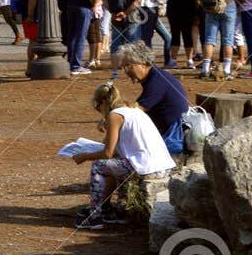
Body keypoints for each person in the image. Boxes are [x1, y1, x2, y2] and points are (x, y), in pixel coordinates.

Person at [72, 78, 175, 230]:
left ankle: (94, 217)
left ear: (102, 103)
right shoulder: (132, 110)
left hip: (146, 166)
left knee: (99, 166)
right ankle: (110, 210)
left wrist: (85, 155)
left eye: (97, 106)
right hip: (163, 164)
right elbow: (117, 150)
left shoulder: (115, 115)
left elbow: (108, 153)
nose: (98, 111)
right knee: (113, 166)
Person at [116, 44, 189, 154]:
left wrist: (110, 119)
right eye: (124, 67)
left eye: (128, 66)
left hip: (171, 137)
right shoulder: (155, 75)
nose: (126, 71)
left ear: (143, 63)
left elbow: (135, 111)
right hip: (168, 131)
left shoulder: (156, 81)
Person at [102, 0, 141, 70]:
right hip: (131, 16)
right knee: (132, 43)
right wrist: (125, 12)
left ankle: (115, 68)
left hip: (115, 16)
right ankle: (131, 67)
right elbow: (137, 1)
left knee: (116, 43)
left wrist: (112, 11)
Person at [132, 0, 172, 66]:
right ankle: (162, 61)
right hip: (151, 10)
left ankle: (148, 60)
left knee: (146, 37)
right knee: (161, 37)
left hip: (142, 10)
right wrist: (163, 2)